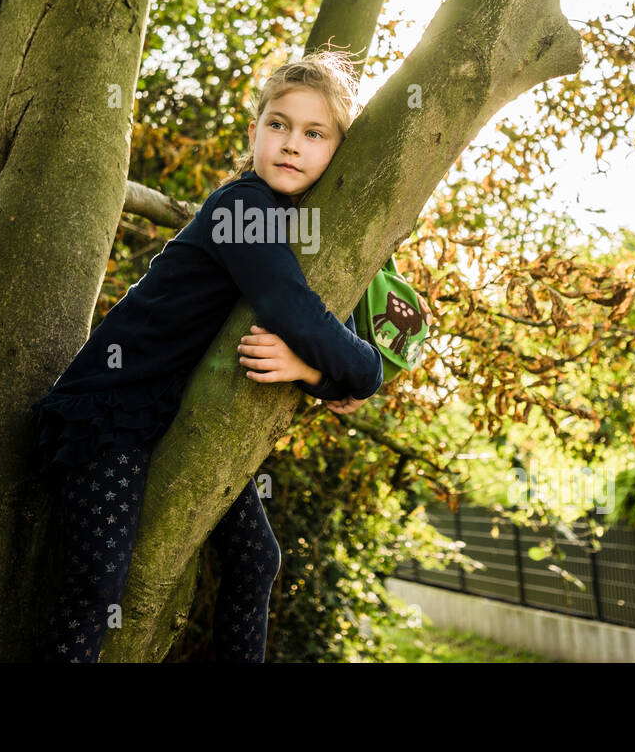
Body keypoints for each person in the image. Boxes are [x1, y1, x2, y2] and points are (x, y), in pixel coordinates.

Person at [33, 49, 383, 663]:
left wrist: (311, 369)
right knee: (99, 585)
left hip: (181, 412)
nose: (292, 144)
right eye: (277, 124)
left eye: (314, 133)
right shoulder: (243, 210)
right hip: (112, 409)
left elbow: (332, 341)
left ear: (337, 151)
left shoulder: (306, 231)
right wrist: (347, 370)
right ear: (255, 131)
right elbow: (309, 324)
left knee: (256, 559)